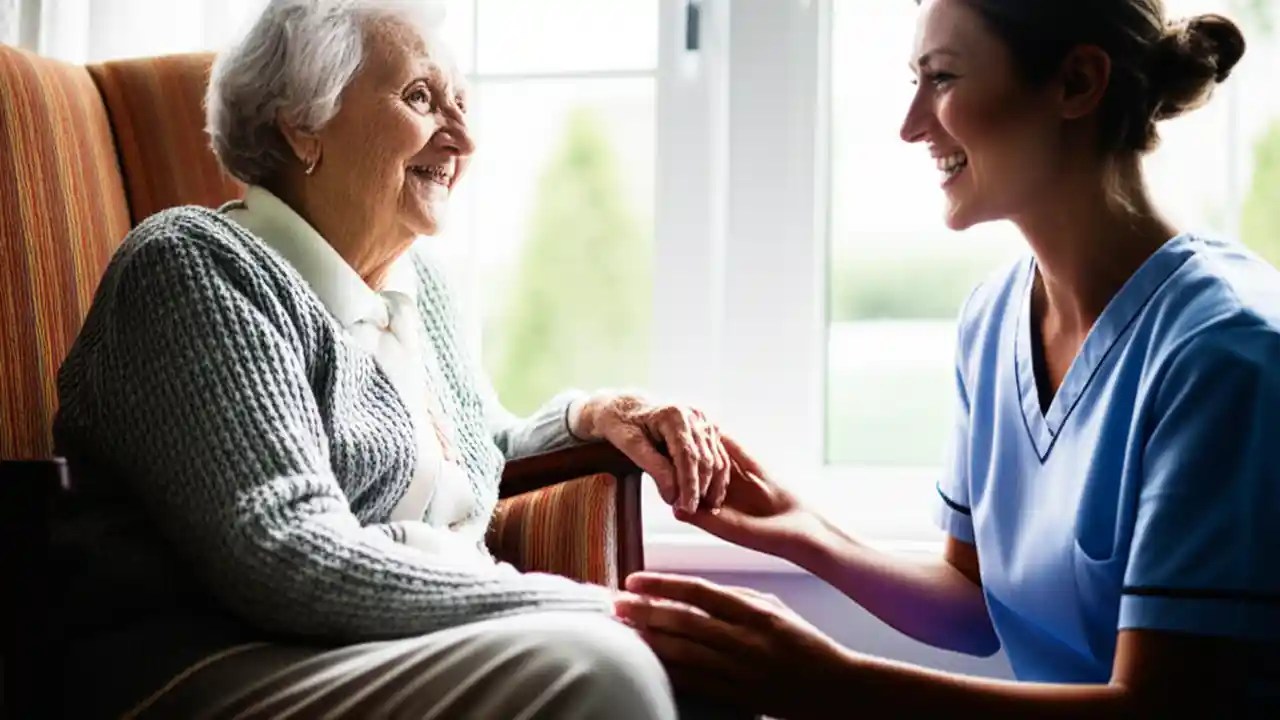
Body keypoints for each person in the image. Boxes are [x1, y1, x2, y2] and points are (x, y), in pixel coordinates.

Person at [52, 1, 733, 717]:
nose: (463, 138)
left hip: (391, 647)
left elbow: (472, 449)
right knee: (608, 667)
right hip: (224, 658)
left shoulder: (416, 284)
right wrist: (590, 608)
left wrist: (595, 415)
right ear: (302, 124)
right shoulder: (194, 268)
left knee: (720, 676)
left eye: (461, 104)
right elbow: (284, 552)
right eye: (421, 98)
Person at [616, 0, 1279, 717]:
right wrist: (803, 530)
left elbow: (1165, 708)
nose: (911, 126)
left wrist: (831, 685)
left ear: (1078, 83)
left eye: (942, 78)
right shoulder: (992, 319)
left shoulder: (1225, 353)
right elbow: (974, 605)